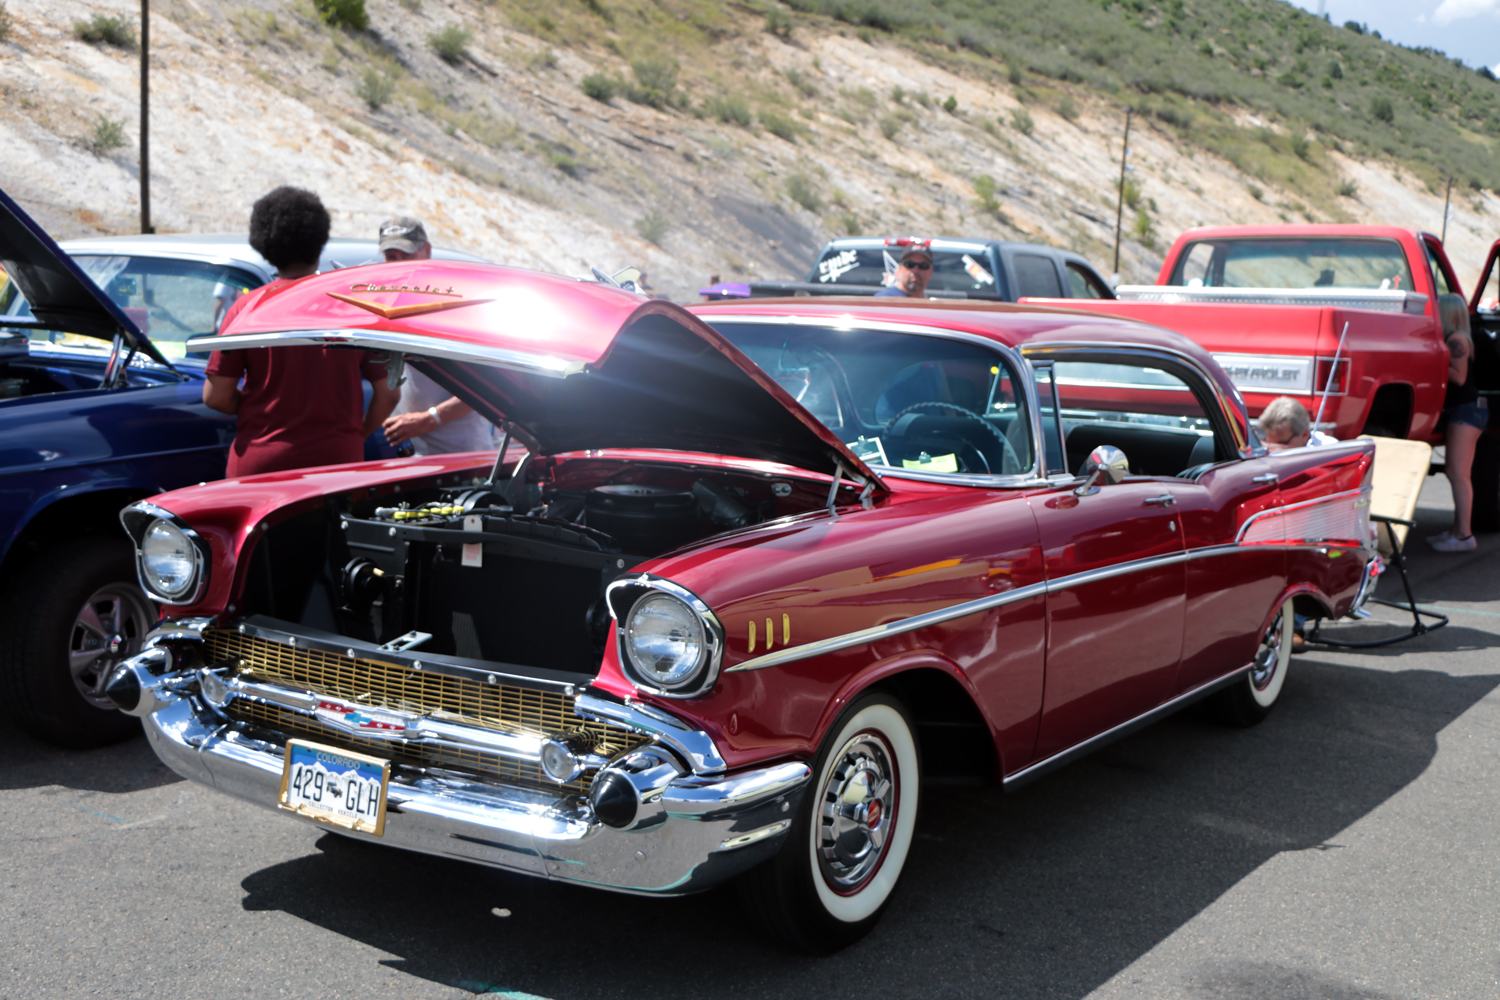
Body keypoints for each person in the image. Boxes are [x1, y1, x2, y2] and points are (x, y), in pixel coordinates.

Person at [203, 186, 400, 477]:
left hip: (261, 464)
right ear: (319, 240)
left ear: (265, 245)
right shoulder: (356, 310)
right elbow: (390, 392)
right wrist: (355, 434)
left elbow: (216, 397)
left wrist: (262, 408)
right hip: (337, 465)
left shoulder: (245, 309)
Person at [373, 217, 498, 456]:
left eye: (406, 255)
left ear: (427, 251)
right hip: (410, 454)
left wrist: (428, 420)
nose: (399, 265)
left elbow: (487, 387)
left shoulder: (454, 307)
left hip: (461, 455)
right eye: (391, 257)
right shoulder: (387, 306)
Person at [1429, 293, 1486, 552]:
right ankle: (1457, 530)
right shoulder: (1458, 338)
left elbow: (1459, 377)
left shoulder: (1456, 340)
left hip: (1466, 412)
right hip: (1466, 412)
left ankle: (1464, 535)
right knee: (1456, 473)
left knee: (1459, 473)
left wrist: (1433, 362)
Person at [1257, 396, 1337, 451]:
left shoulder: (1330, 451)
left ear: (1304, 435)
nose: (1273, 451)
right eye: (1269, 445)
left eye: (1282, 445)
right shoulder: (1263, 452)